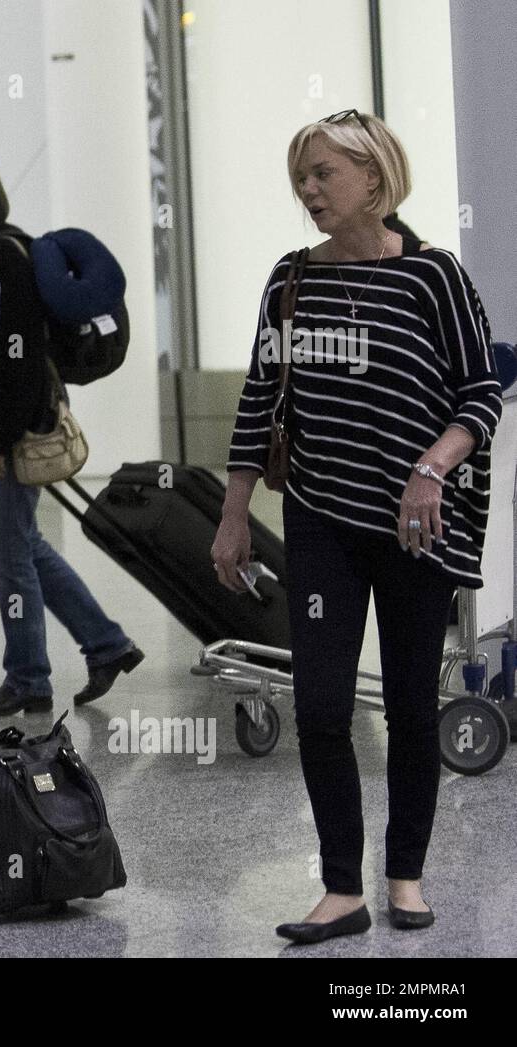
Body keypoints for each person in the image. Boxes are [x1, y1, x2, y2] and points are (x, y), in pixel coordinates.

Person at [214, 110, 502, 943]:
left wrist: (431, 467)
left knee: (413, 708)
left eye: (323, 175)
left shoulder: (433, 277)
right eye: (300, 176)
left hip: (415, 526)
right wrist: (234, 514)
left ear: (374, 180)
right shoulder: (290, 279)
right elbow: (259, 398)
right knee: (321, 707)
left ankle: (405, 876)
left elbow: (479, 393)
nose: (307, 191)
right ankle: (342, 887)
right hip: (319, 520)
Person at [0, 144, 143, 717]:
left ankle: (29, 678)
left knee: (5, 554)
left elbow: (18, 362)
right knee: (24, 546)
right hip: (3, 423)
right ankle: (106, 644)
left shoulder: (3, 255)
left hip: (15, 427)